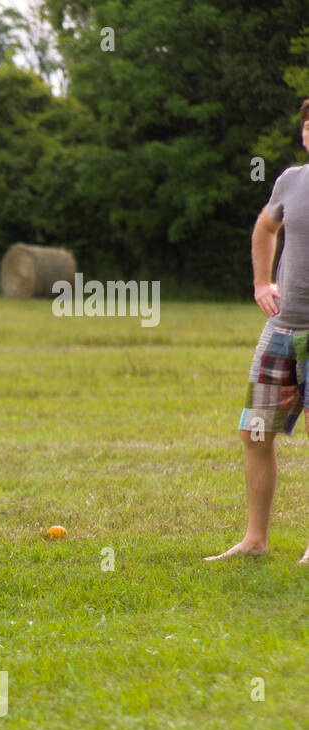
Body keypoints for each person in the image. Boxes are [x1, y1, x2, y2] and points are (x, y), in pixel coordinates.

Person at [207, 99, 309, 564]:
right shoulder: (291, 181)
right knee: (254, 431)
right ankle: (255, 540)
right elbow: (265, 228)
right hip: (282, 329)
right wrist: (261, 281)